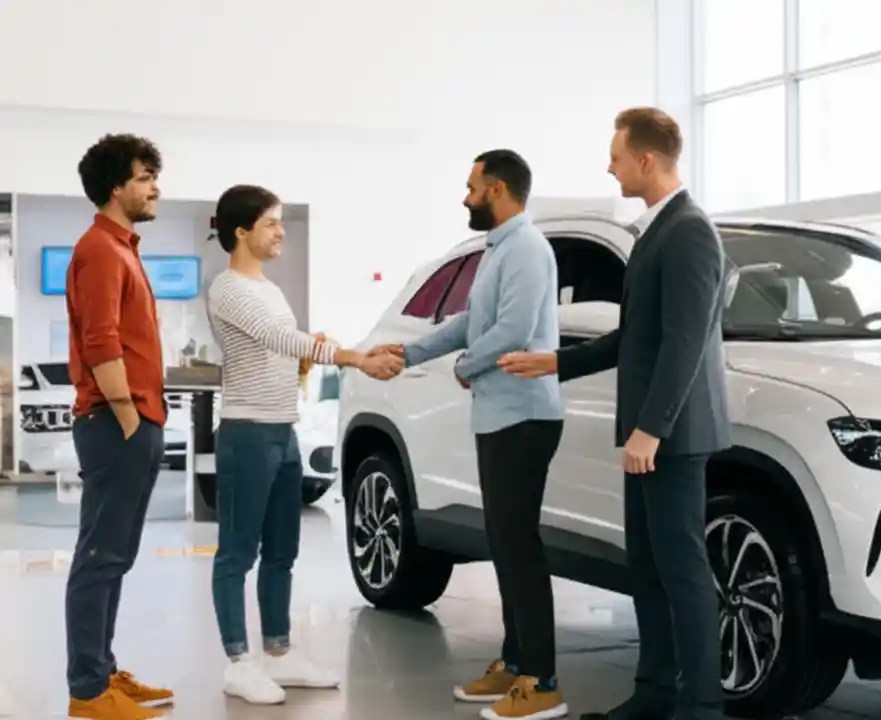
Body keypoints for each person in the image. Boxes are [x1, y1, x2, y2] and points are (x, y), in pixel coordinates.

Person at [498, 107, 730, 720]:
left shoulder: (690, 231)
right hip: (648, 435)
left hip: (672, 438)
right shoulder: (656, 230)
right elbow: (637, 337)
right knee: (647, 569)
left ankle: (702, 708)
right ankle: (654, 696)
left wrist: (651, 428)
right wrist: (555, 363)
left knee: (683, 573)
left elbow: (685, 341)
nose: (610, 165)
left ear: (646, 160)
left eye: (617, 156)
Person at [377, 149, 567, 720]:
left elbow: (512, 329)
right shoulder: (498, 250)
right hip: (498, 416)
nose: (465, 197)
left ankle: (544, 681)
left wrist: (464, 368)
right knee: (504, 546)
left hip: (524, 417)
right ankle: (514, 665)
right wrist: (411, 351)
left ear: (499, 190)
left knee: (520, 548)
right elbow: (470, 324)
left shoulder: (529, 250)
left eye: (471, 187)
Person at [204, 184, 403, 704]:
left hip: (282, 430)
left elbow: (286, 343)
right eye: (270, 222)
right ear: (242, 232)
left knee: (282, 551)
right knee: (237, 553)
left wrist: (321, 348)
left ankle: (278, 650)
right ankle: (238, 661)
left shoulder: (268, 288)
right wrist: (353, 357)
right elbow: (279, 339)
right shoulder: (228, 288)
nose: (279, 231)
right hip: (247, 432)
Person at [64, 133, 177, 720]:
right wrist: (130, 417)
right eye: (144, 177)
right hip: (117, 422)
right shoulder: (102, 250)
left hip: (131, 419)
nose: (155, 186)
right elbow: (100, 340)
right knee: (101, 557)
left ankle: (103, 672)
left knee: (115, 555)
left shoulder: (121, 248)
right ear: (116, 186)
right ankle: (88, 691)